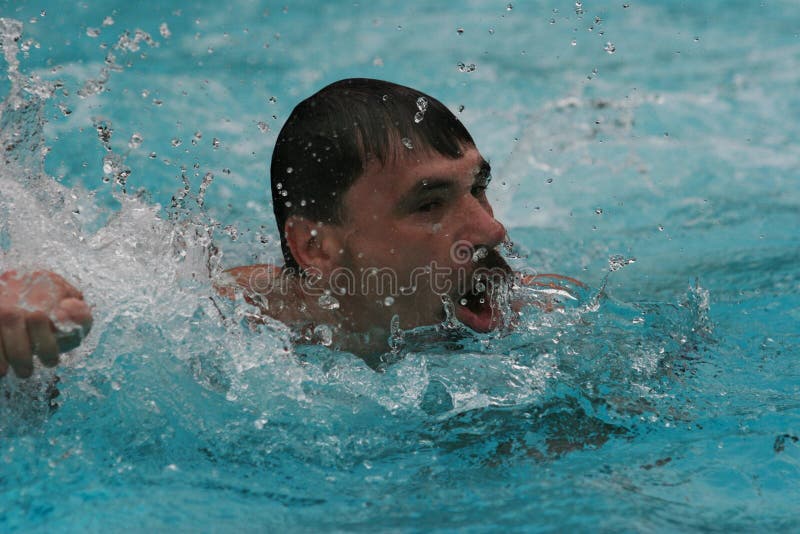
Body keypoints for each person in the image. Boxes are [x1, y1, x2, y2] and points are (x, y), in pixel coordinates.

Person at [1, 78, 578, 378]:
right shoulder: (229, 322)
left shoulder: (530, 313)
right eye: (429, 205)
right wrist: (43, 306)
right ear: (315, 247)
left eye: (477, 187)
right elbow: (113, 300)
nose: (492, 228)